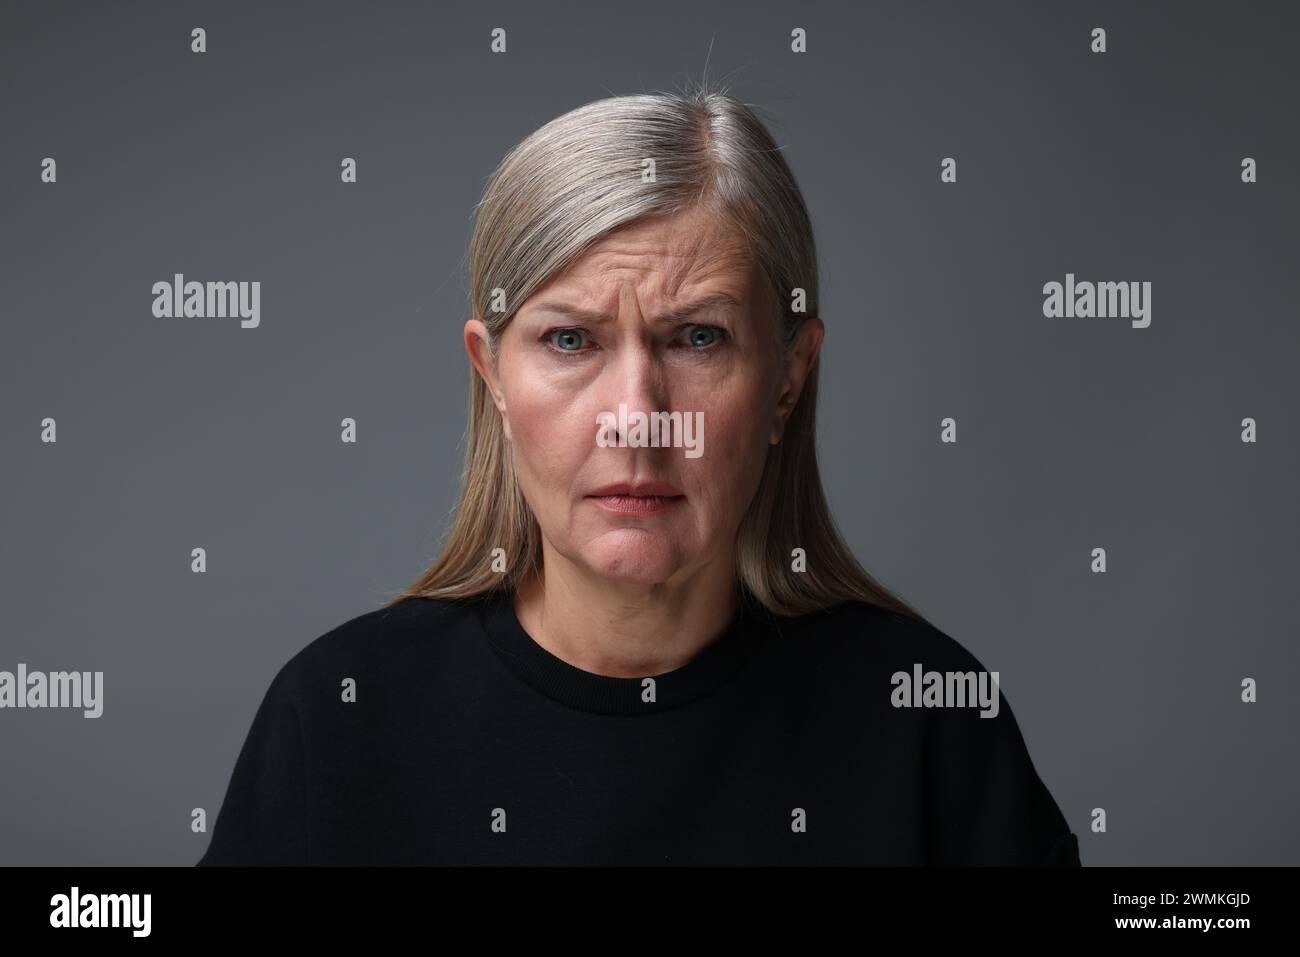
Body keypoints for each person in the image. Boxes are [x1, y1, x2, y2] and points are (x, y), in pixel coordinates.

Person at [197, 81, 1080, 866]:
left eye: (698, 337)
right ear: (493, 373)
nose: (636, 415)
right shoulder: (338, 717)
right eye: (570, 340)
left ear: (788, 377)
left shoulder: (928, 721)